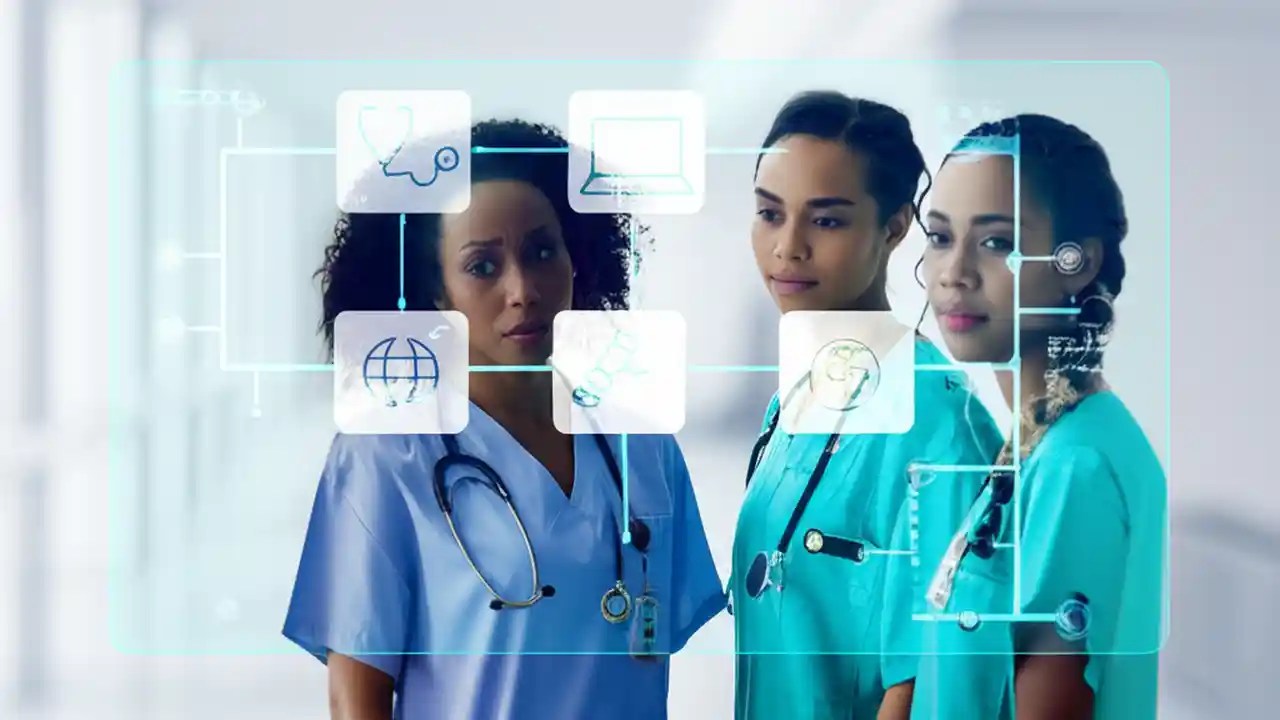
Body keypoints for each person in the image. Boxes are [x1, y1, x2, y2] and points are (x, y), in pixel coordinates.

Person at [283, 119, 726, 720]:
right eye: (482, 267)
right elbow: (355, 701)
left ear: (576, 258)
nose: (523, 290)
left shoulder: (643, 446)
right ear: (436, 292)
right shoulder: (385, 455)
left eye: (542, 252)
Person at [731, 90, 1003, 720]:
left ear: (895, 226)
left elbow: (928, 682)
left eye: (826, 220)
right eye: (770, 213)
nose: (787, 247)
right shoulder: (794, 402)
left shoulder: (940, 427)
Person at [889, 114, 1166, 719]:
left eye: (997, 243)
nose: (954, 273)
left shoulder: (1076, 466)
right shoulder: (1035, 440)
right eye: (940, 236)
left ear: (1078, 262)